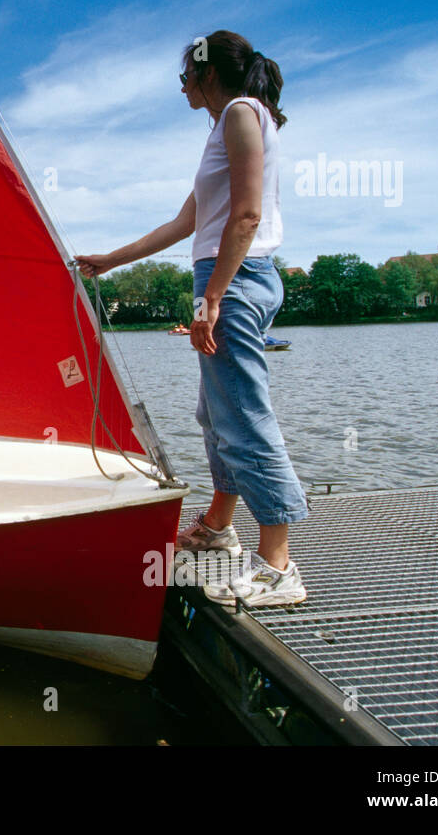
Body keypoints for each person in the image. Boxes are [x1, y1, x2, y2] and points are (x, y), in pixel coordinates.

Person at [77, 30, 308, 607]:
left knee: (244, 415)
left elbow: (248, 216)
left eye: (184, 77)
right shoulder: (228, 125)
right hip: (226, 276)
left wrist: (212, 301)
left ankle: (278, 566)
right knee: (215, 412)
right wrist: (110, 259)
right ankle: (218, 524)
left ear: (205, 75)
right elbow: (186, 224)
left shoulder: (238, 113)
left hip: (235, 277)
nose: (181, 88)